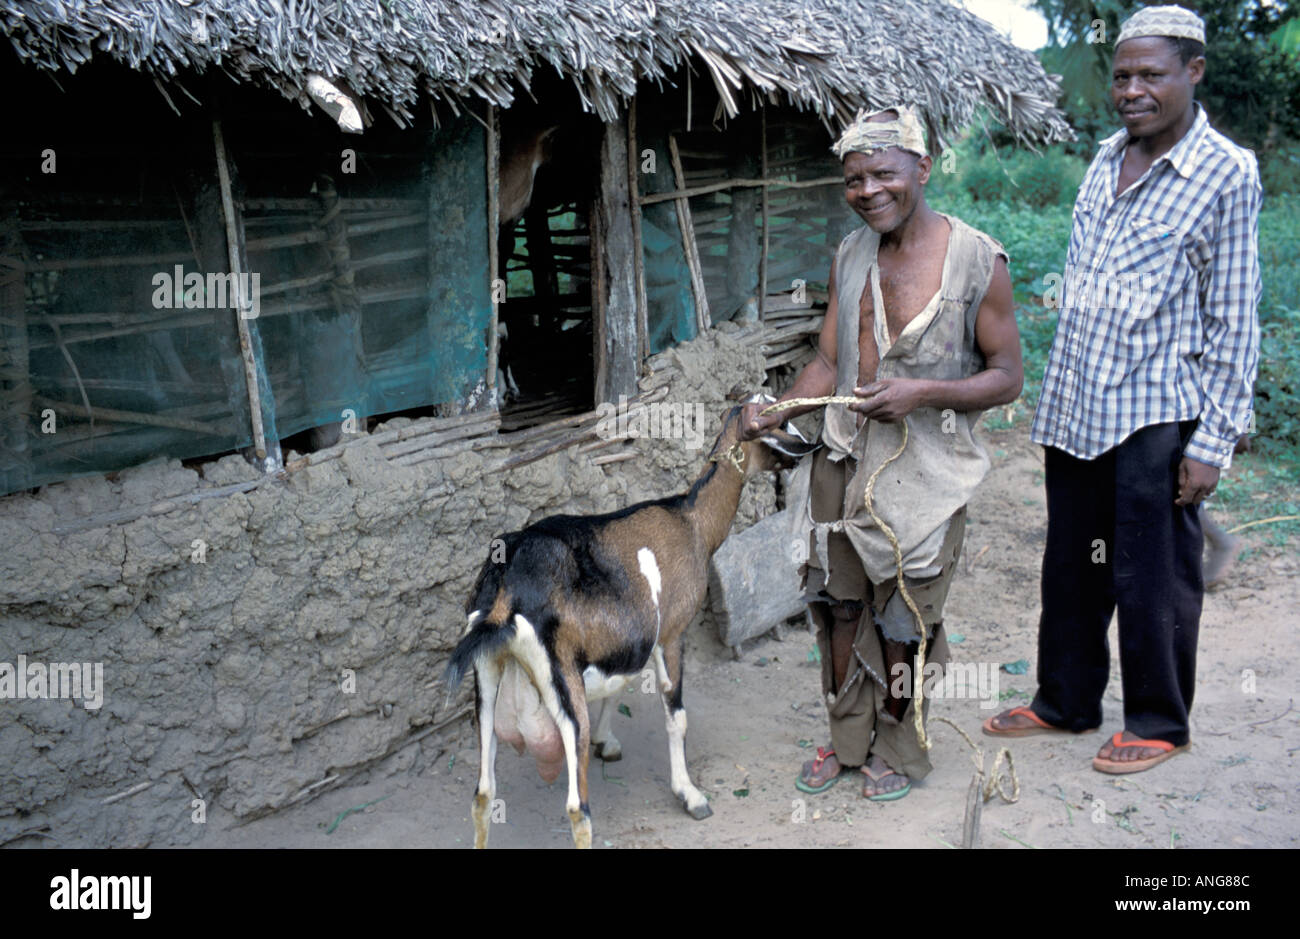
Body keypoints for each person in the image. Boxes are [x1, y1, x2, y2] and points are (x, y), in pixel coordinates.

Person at [983, 5, 1261, 775]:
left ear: (1193, 73)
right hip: (1076, 407)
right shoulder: (1108, 156)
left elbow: (1235, 316)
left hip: (1155, 413)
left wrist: (1212, 443)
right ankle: (1065, 700)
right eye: (1124, 75)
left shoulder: (1225, 173)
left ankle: (1159, 722)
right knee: (1073, 567)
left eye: (1152, 74)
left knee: (1153, 576)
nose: (1133, 90)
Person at [743, 106, 1021, 800]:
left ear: (922, 169)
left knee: (903, 616)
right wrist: (779, 413)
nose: (868, 191)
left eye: (883, 174)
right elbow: (830, 358)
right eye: (854, 179)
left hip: (926, 474)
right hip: (843, 458)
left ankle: (897, 741)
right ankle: (844, 734)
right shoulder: (851, 254)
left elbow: (1008, 375)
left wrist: (921, 391)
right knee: (837, 604)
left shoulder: (977, 262)